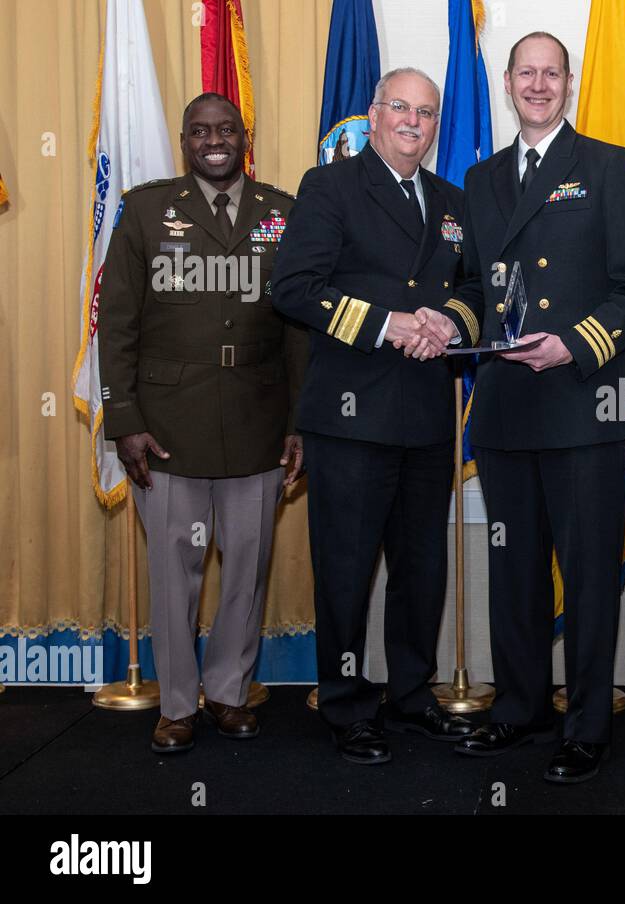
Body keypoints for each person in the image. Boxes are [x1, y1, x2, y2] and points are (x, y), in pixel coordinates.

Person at [423, 32, 625, 784]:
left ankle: (586, 725)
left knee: (589, 574)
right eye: (524, 72)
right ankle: (521, 707)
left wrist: (575, 345)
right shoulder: (481, 176)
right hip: (504, 410)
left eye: (550, 73)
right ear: (506, 81)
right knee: (513, 569)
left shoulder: (608, 167)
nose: (537, 84)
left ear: (569, 82)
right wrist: (450, 325)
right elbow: (471, 285)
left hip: (582, 403)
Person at [270, 68, 475, 765]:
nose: (414, 123)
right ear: (373, 113)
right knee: (349, 572)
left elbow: (474, 285)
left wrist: (448, 321)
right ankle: (349, 706)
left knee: (421, 572)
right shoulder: (330, 187)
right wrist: (386, 325)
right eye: (401, 108)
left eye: (426, 112)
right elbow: (295, 288)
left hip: (424, 415)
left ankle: (412, 697)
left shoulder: (452, 201)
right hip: (351, 418)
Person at [99, 93, 307, 754]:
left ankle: (227, 691)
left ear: (243, 136)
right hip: (167, 423)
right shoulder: (145, 209)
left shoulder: (283, 212)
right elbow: (119, 324)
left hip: (258, 420)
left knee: (246, 565)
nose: (213, 139)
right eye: (200, 130)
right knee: (174, 567)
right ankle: (178, 704)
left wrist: (300, 421)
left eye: (225, 129)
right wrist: (124, 419)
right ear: (184, 140)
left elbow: (300, 331)